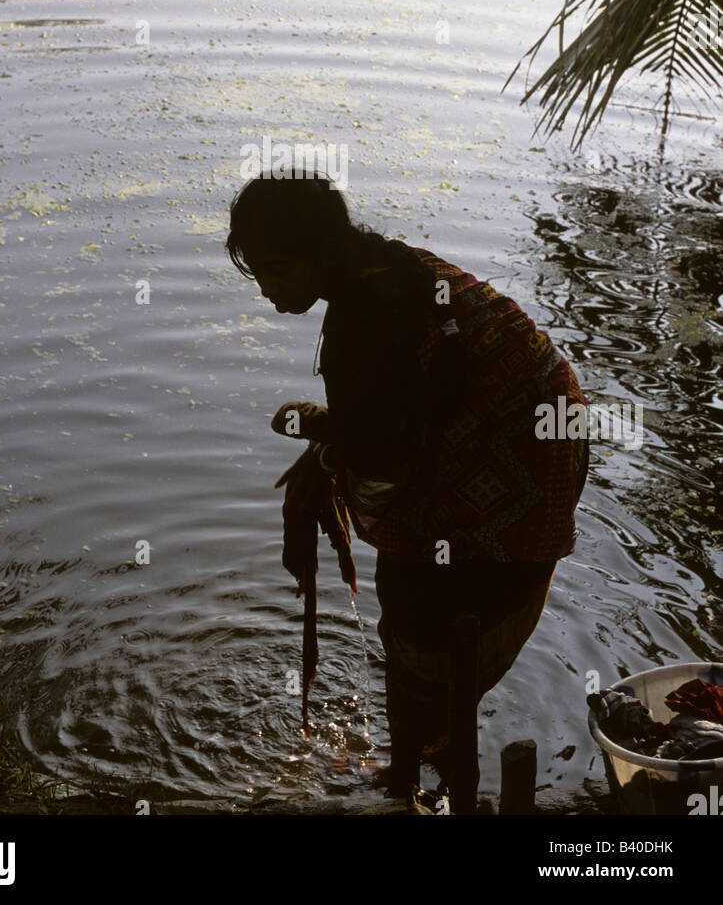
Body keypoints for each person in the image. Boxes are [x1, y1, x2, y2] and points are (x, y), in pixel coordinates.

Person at [226, 173, 589, 801]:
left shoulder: (365, 315)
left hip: (526, 456)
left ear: (320, 252)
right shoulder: (379, 264)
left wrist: (326, 456)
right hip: (542, 427)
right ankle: (425, 768)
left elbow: (385, 455)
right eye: (258, 274)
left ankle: (423, 774)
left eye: (279, 271)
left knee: (421, 590)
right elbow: (399, 410)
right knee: (429, 588)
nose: (267, 290)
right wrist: (330, 439)